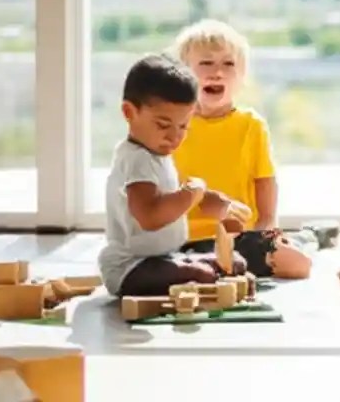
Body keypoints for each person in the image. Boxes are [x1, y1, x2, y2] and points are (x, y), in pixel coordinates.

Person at [98, 53, 249, 298]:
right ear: (129, 112)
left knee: (231, 262)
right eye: (163, 125)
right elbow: (150, 217)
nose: (175, 136)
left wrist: (206, 200)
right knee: (203, 274)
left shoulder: (156, 153)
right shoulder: (136, 159)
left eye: (183, 126)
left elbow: (170, 198)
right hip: (130, 267)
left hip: (163, 256)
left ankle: (192, 268)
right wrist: (193, 193)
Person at [170, 20, 311, 279]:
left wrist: (266, 232)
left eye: (228, 64)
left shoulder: (251, 125)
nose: (217, 73)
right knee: (177, 273)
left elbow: (265, 188)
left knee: (298, 264)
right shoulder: (172, 126)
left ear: (242, 76)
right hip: (183, 243)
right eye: (206, 63)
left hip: (240, 238)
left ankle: (305, 239)